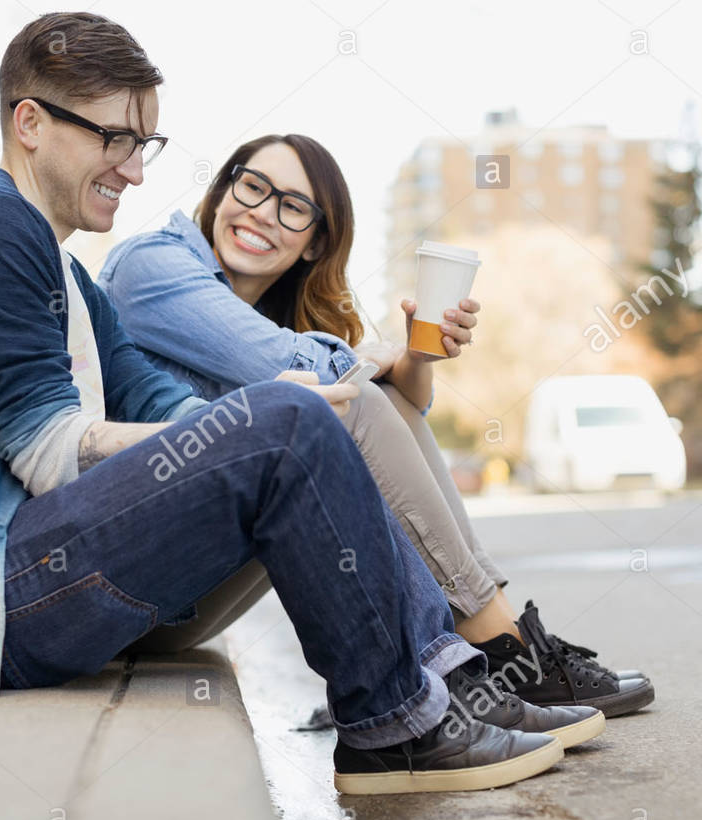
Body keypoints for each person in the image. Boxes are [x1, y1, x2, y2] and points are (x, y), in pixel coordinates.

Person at [0, 12, 603, 796]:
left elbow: (164, 407)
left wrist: (247, 427)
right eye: (114, 139)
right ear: (30, 123)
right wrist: (261, 423)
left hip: (18, 589)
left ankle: (441, 685)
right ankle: (397, 722)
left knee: (297, 419)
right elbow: (48, 450)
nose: (134, 170)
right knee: (287, 420)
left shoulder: (72, 279)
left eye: (143, 145)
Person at [98, 134, 655, 716]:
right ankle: (504, 653)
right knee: (344, 404)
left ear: (315, 243)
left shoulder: (269, 315)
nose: (262, 211)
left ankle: (488, 646)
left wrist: (416, 358)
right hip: (131, 591)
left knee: (359, 402)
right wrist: (377, 355)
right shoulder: (152, 265)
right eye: (253, 186)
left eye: (291, 206)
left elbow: (390, 408)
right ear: (222, 191)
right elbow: (300, 369)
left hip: (187, 592)